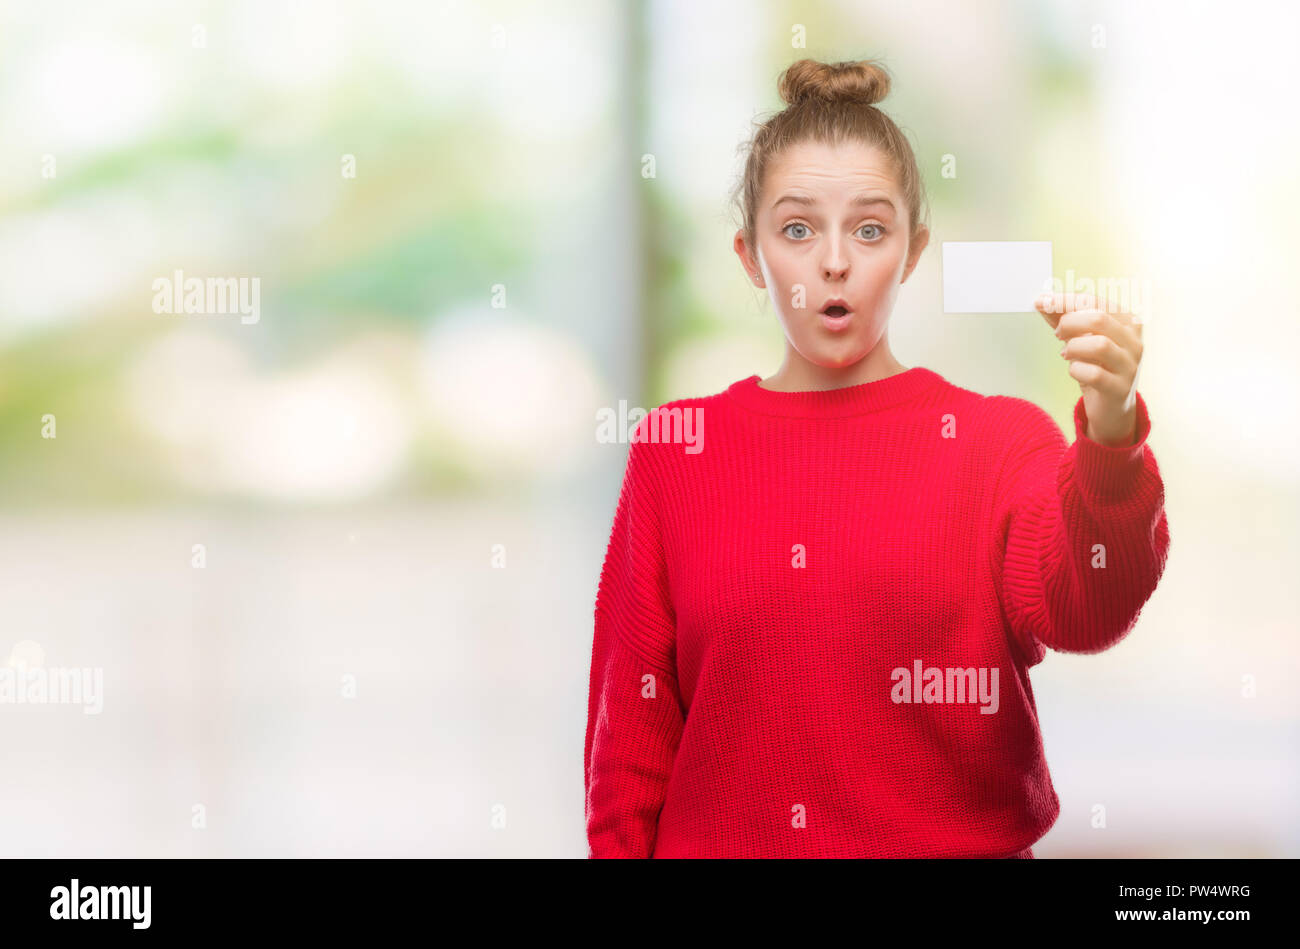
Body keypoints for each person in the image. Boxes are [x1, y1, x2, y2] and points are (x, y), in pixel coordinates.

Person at [584, 58, 1170, 858]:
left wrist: (1111, 436)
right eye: (797, 229)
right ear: (751, 256)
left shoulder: (1001, 442)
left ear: (913, 250)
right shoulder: (676, 453)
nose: (834, 262)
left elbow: (1088, 611)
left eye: (869, 228)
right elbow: (628, 754)